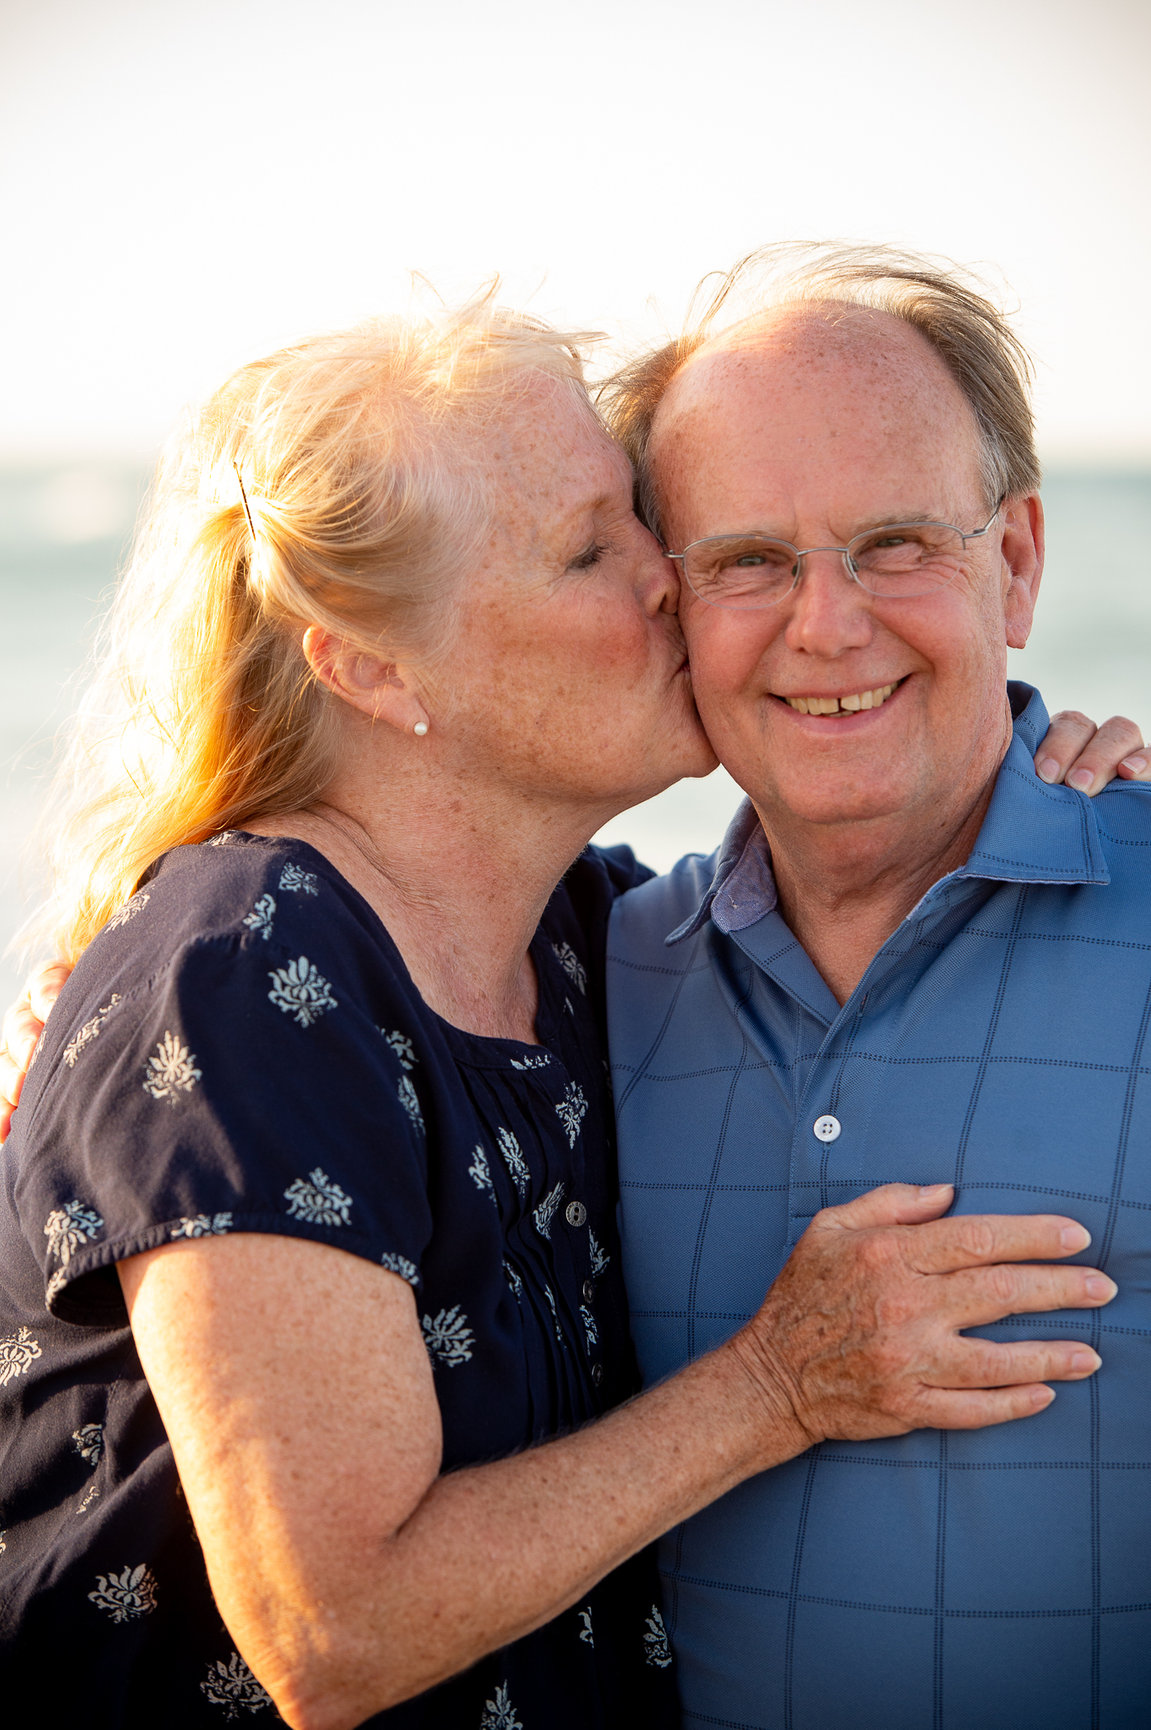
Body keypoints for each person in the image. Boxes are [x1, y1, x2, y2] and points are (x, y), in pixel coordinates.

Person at [1, 298, 1126, 1730]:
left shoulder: (606, 935)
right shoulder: (243, 974)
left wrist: (1045, 785)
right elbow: (328, 1629)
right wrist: (778, 1384)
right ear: (371, 665)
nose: (677, 582)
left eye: (646, 525)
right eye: (596, 547)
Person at [601, 244, 1151, 1728]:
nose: (827, 626)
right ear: (671, 609)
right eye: (748, 561)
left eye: (898, 543)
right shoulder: (583, 978)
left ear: (1018, 562)